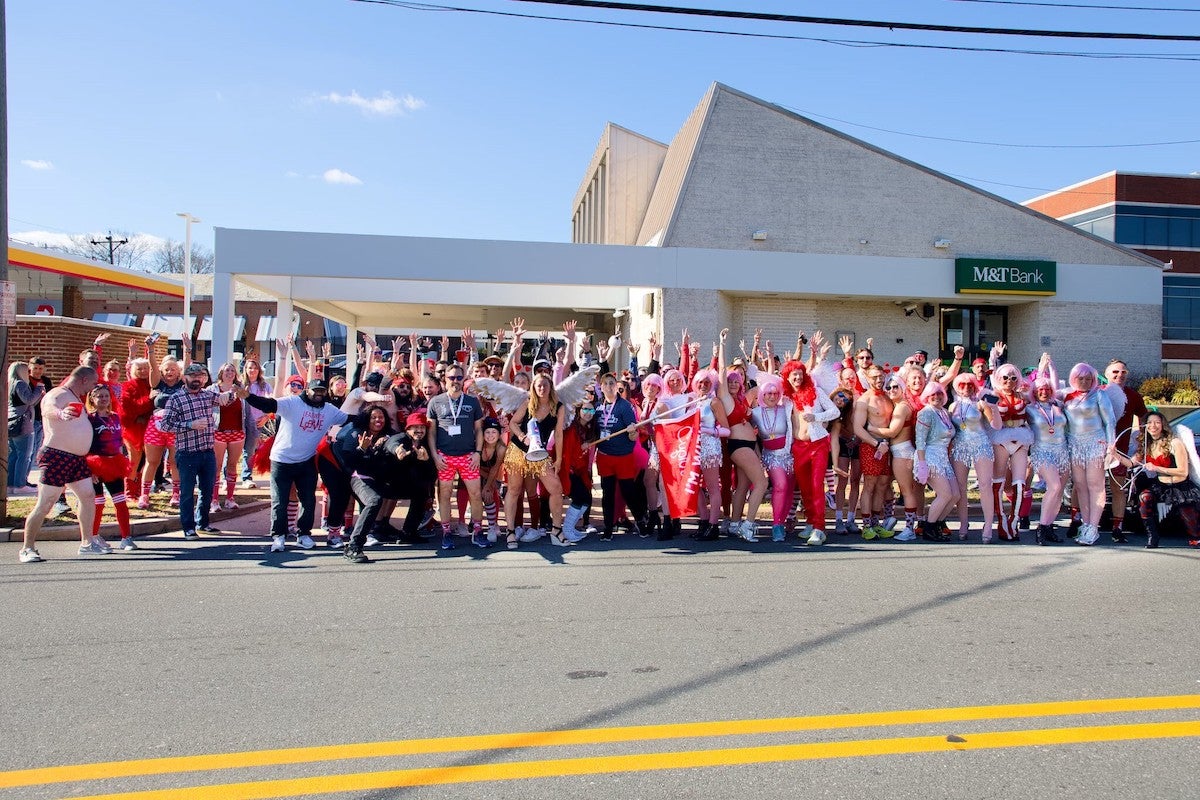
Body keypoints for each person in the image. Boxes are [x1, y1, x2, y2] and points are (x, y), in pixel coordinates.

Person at [241, 378, 349, 552]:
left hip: (306, 461)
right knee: (280, 501)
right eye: (315, 390)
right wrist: (248, 396)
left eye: (322, 391)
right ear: (307, 390)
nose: (318, 394)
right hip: (281, 460)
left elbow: (350, 419)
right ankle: (279, 536)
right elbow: (268, 404)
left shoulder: (330, 410)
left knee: (308, 500)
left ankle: (304, 534)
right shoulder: (292, 403)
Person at [20, 366, 100, 562]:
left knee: (88, 496)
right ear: (84, 380)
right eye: (93, 383)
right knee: (46, 502)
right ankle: (27, 548)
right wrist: (60, 414)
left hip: (77, 459)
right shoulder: (59, 393)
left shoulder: (75, 397)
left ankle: (87, 543)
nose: (93, 387)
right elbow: (49, 408)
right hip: (56, 456)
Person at [158, 363, 238, 539]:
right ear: (185, 378)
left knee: (207, 489)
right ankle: (188, 527)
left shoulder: (207, 395)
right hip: (187, 453)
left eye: (200, 376)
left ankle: (202, 523)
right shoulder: (176, 399)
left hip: (207, 451)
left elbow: (225, 400)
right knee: (187, 492)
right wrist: (189, 425)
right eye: (193, 376)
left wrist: (233, 392)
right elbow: (165, 425)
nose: (197, 379)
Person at [1114, 411, 1200, 548]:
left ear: (1163, 425)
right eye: (1149, 422)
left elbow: (1183, 472)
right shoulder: (1146, 444)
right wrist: (1115, 454)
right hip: (1161, 485)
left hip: (1180, 486)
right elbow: (1131, 463)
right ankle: (1152, 537)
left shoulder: (1175, 443)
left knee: (1189, 519)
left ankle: (1195, 538)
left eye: (1157, 422)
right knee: (1144, 498)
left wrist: (1156, 468)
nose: (1153, 426)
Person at [505, 372, 569, 547]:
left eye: (545, 385)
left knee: (556, 488)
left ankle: (556, 530)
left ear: (550, 387)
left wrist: (558, 460)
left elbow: (558, 434)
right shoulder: (528, 402)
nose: (542, 388)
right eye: (538, 385)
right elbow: (513, 423)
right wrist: (522, 436)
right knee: (514, 490)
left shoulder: (558, 407)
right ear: (533, 387)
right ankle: (510, 532)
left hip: (539, 454)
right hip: (518, 450)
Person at [427, 363, 487, 549]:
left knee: (475, 494)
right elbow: (431, 432)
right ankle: (447, 532)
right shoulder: (435, 402)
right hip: (445, 457)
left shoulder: (472, 402)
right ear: (445, 379)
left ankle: (477, 531)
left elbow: (479, 430)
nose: (455, 381)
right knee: (445, 495)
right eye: (451, 377)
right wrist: (435, 456)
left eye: (459, 378)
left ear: (464, 379)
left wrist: (478, 453)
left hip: (468, 456)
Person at [783, 361, 839, 545]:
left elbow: (834, 411)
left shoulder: (816, 392)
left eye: (800, 374)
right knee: (805, 488)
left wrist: (817, 417)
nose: (798, 377)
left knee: (816, 486)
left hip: (818, 444)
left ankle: (819, 528)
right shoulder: (786, 399)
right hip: (798, 447)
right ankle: (810, 522)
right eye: (794, 374)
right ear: (787, 378)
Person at [591, 371, 649, 542]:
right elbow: (593, 430)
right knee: (607, 494)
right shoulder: (598, 407)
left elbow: (634, 436)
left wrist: (632, 432)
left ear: (616, 386)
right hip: (604, 456)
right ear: (601, 387)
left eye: (612, 383)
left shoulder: (625, 406)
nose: (609, 387)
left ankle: (640, 521)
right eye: (606, 384)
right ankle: (608, 528)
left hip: (623, 456)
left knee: (628, 491)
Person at [1061, 363, 1115, 546]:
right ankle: (1086, 523)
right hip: (1074, 444)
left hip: (1095, 443)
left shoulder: (1099, 394)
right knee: (1080, 485)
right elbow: (1044, 392)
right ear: (1074, 378)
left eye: (1088, 378)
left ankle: (1093, 527)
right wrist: (1045, 368)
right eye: (1080, 378)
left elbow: (1110, 421)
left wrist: (1111, 446)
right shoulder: (1067, 395)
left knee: (1095, 485)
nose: (1084, 382)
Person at [866, 373, 920, 541]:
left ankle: (909, 529)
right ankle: (889, 519)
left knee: (907, 491)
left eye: (895, 386)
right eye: (888, 387)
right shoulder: (897, 405)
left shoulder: (902, 407)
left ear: (903, 388)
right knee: (887, 486)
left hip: (902, 452)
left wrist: (869, 428)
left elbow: (892, 432)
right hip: (896, 451)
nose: (891, 390)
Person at [1102, 359, 1149, 542]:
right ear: (1107, 374)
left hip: (1119, 451)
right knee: (1088, 488)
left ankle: (1117, 528)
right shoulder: (1098, 393)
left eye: (1123, 372)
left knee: (1118, 488)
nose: (1119, 375)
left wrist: (1141, 441)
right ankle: (1081, 523)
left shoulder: (1133, 396)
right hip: (1095, 449)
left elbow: (1144, 418)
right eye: (1115, 372)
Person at [949, 374, 1000, 542]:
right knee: (961, 486)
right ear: (957, 387)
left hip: (981, 444)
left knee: (985, 484)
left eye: (969, 385)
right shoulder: (953, 406)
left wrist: (994, 408)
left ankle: (988, 524)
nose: (966, 388)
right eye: (962, 385)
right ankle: (963, 523)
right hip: (960, 446)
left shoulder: (980, 403)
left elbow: (995, 425)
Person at [85, 383, 135, 550]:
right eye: (99, 396)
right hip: (95, 464)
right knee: (98, 502)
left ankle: (126, 538)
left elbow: (119, 441)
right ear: (92, 398)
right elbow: (84, 443)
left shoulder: (115, 417)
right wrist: (89, 470)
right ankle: (93, 536)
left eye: (106, 396)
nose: (103, 399)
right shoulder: (89, 419)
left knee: (120, 501)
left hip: (115, 463)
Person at [990, 363, 1034, 542]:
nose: (1009, 381)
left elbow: (1046, 395)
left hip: (1021, 438)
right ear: (998, 378)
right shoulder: (992, 395)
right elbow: (981, 408)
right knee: (998, 481)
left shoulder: (1024, 395)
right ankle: (1001, 521)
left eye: (1013, 378)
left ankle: (1014, 520)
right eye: (1005, 377)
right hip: (1000, 439)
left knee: (1019, 482)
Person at [1027, 357, 1069, 545]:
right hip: (1042, 451)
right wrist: (1041, 368)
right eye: (1040, 390)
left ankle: (1049, 526)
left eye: (1047, 389)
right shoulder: (1030, 408)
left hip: (1062, 451)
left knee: (1059, 492)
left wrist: (1052, 367)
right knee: (1054, 486)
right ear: (1035, 392)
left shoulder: (1057, 406)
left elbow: (1056, 386)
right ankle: (1042, 528)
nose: (1044, 392)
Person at [852, 365, 895, 540]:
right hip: (871, 446)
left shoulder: (888, 396)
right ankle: (866, 526)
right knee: (869, 485)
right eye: (874, 377)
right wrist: (876, 444)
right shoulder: (864, 400)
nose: (879, 380)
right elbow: (858, 428)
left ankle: (876, 524)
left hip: (888, 446)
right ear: (868, 378)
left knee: (883, 484)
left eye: (881, 376)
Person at [139, 356, 186, 509]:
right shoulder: (157, 384)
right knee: (152, 461)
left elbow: (187, 366)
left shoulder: (182, 384)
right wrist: (151, 351)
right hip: (156, 426)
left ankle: (176, 494)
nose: (169, 372)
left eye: (173, 369)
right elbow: (153, 367)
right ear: (162, 372)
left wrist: (187, 350)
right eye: (166, 369)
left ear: (178, 372)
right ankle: (144, 495)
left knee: (175, 462)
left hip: (176, 427)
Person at [750, 374, 793, 542]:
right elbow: (751, 436)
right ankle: (776, 525)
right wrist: (757, 455)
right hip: (771, 456)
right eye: (768, 393)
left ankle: (782, 521)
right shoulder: (755, 413)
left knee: (788, 489)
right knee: (780, 485)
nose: (772, 396)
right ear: (762, 394)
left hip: (789, 455)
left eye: (775, 393)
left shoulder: (785, 409)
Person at [913, 382, 958, 541]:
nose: (936, 397)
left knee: (955, 495)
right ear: (927, 396)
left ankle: (937, 524)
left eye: (939, 394)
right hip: (929, 456)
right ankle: (929, 528)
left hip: (943, 457)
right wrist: (922, 464)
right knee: (945, 494)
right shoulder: (926, 413)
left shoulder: (944, 412)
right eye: (932, 394)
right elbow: (920, 440)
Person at [210, 362, 245, 514]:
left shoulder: (241, 389)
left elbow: (248, 411)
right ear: (221, 373)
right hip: (218, 431)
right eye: (226, 370)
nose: (230, 373)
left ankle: (230, 498)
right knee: (216, 466)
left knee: (232, 465)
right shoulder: (213, 389)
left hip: (237, 432)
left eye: (232, 370)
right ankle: (214, 500)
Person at [8, 361, 45, 493]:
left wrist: (39, 395)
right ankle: (20, 485)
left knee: (14, 455)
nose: (28, 373)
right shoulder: (20, 383)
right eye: (26, 370)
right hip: (23, 423)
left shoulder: (11, 383)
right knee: (25, 455)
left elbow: (29, 402)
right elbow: (29, 400)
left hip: (12, 422)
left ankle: (10, 484)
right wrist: (39, 389)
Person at [239, 358, 271, 488]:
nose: (252, 370)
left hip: (257, 422)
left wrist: (266, 417)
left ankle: (246, 477)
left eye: (255, 368)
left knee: (250, 450)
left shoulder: (264, 386)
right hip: (239, 421)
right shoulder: (239, 384)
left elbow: (271, 402)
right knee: (232, 450)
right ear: (245, 370)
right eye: (250, 368)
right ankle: (227, 478)